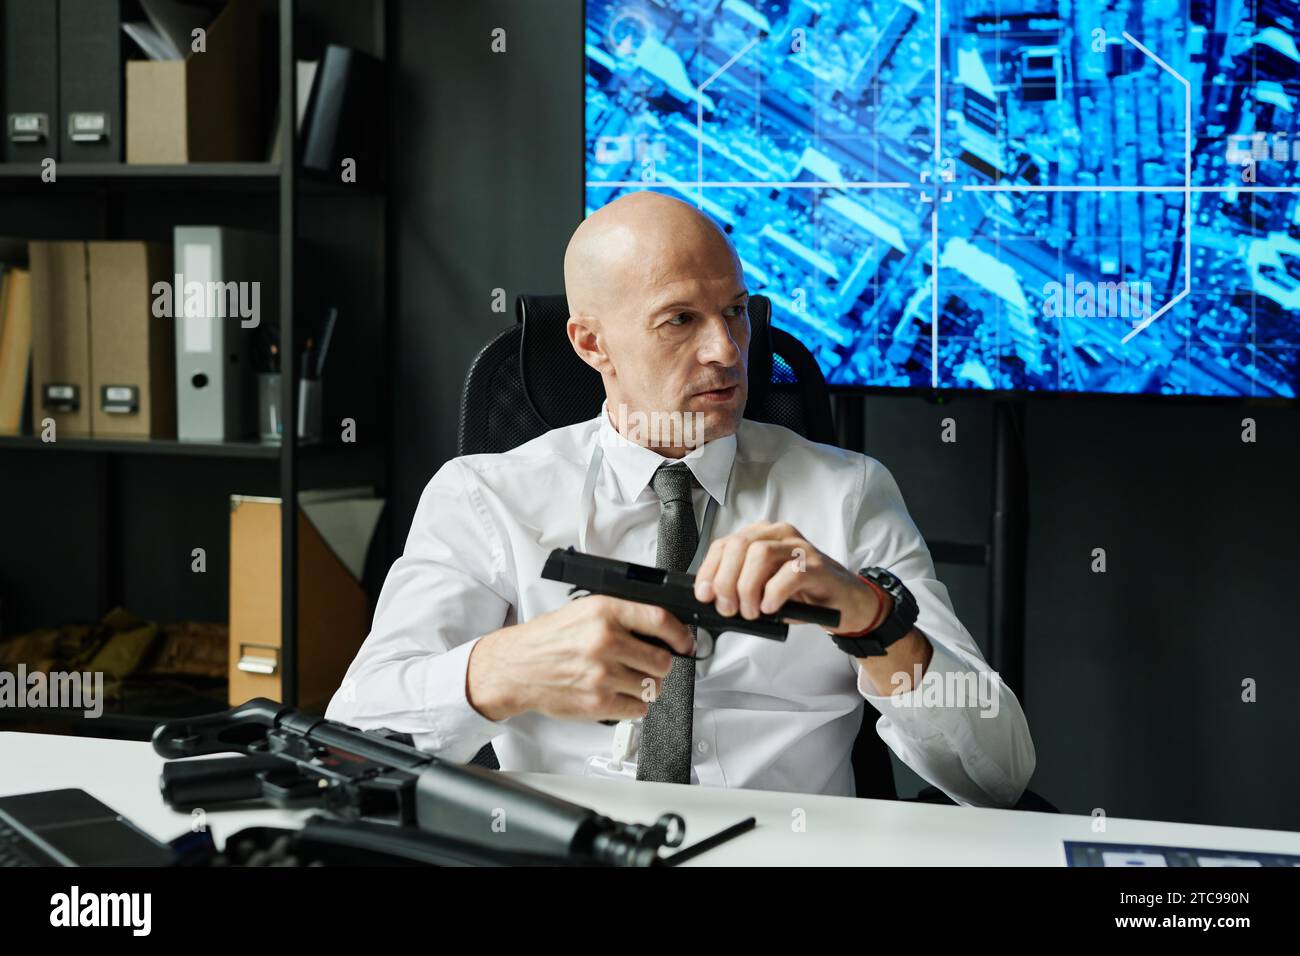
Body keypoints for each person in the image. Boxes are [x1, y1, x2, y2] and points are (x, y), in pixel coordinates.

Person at [326, 191, 1035, 806]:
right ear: (590, 343)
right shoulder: (486, 497)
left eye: (735, 312)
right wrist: (501, 671)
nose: (728, 352)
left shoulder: (847, 492)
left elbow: (999, 775)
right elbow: (352, 742)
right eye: (680, 321)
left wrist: (873, 620)